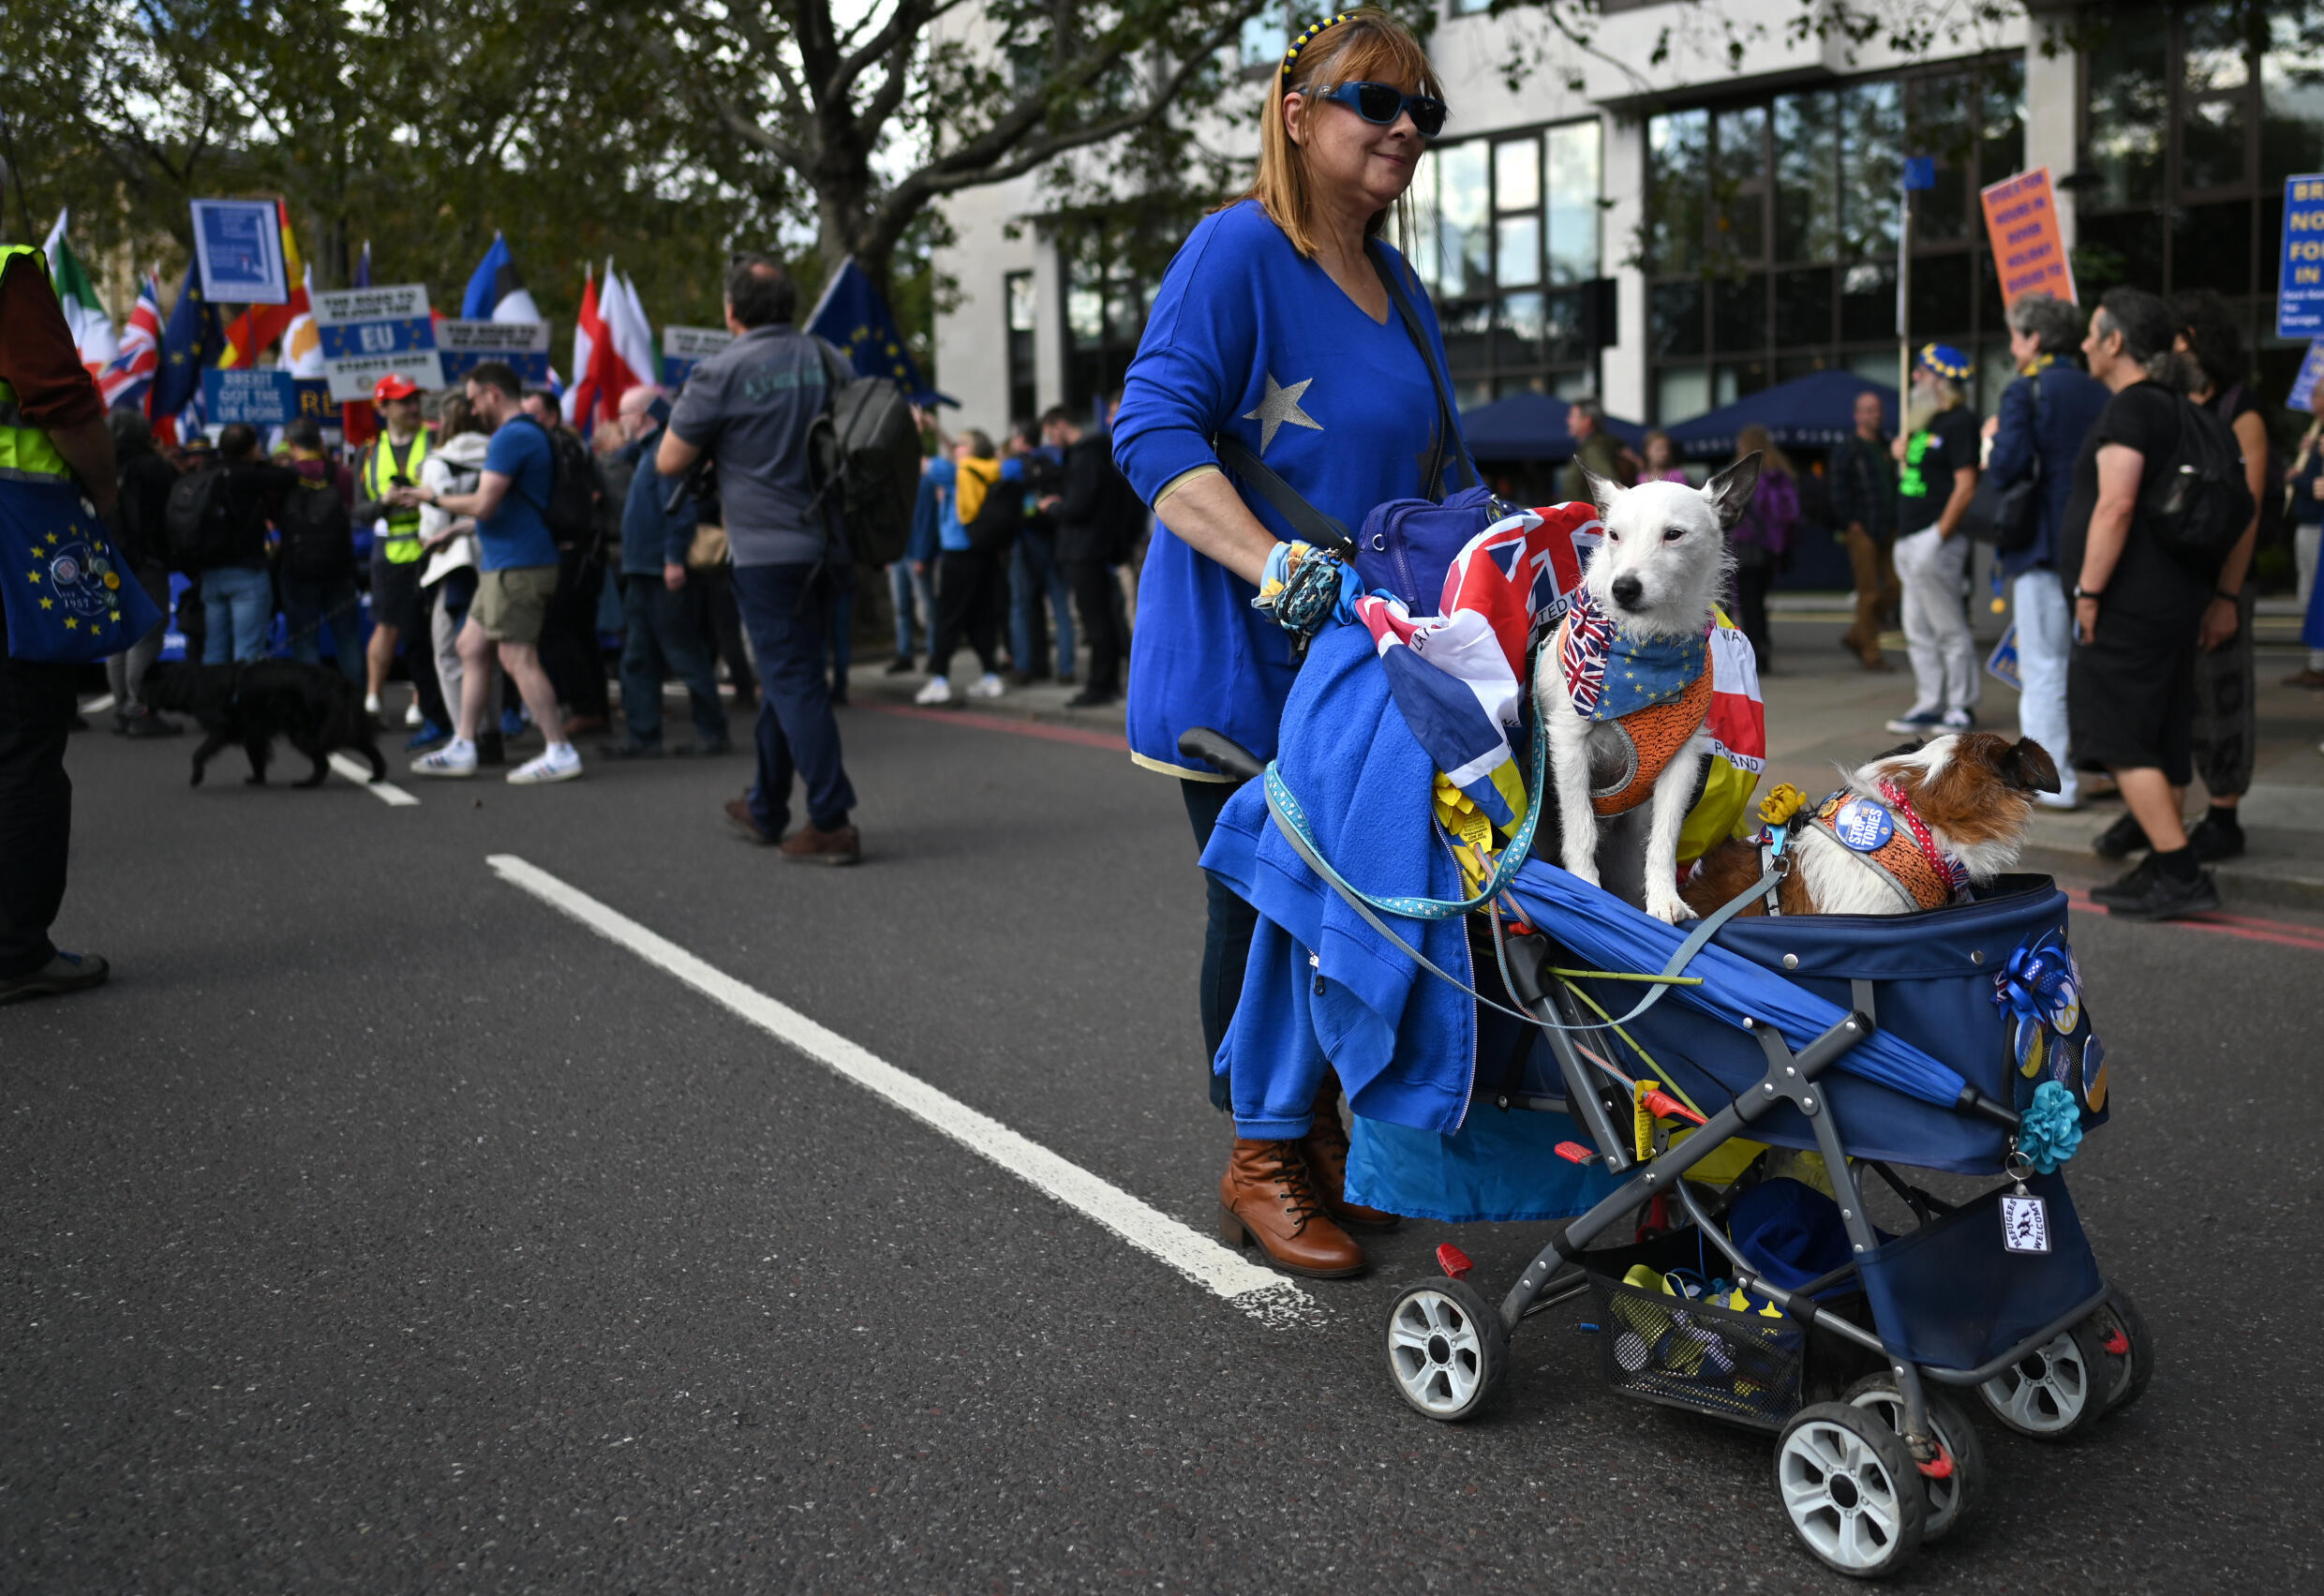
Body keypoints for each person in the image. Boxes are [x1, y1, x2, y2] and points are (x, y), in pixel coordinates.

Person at [1111, 7, 1457, 1275]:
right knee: (1265, 909)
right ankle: (1262, 1154)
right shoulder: (1237, 250)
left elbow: (1446, 473)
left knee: (1363, 902)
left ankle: (1314, 1135)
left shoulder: (1401, 282)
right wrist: (1275, 563)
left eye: (1426, 110)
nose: (1407, 127)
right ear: (1301, 113)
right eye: (1379, 100)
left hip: (1366, 669)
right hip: (1241, 656)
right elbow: (1152, 434)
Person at [657, 255, 861, 863]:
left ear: (731, 311)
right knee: (789, 674)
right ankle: (766, 805)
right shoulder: (831, 359)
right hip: (831, 546)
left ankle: (831, 818)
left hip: (767, 554)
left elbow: (669, 460)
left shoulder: (720, 371)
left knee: (793, 678)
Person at [2063, 288, 2219, 919]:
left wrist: (2090, 591)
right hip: (2174, 601)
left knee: (2122, 740)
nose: (2082, 344)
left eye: (2091, 333)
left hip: (2126, 602)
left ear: (2116, 342)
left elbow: (2117, 502)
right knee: (2161, 734)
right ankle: (2161, 859)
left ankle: (2180, 871)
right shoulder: (2188, 409)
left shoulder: (2131, 410)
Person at [0, 243, 118, 1004]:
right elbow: (63, 401)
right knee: (21, 746)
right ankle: (15, 950)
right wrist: (106, 491)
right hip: (17, 535)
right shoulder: (9, 268)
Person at [402, 361, 581, 784]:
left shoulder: (510, 437)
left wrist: (433, 498)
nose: (472, 407)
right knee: (469, 645)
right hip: (508, 561)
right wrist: (459, 530)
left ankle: (559, 749)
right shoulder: (526, 434)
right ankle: (464, 744)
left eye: (474, 398)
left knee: (517, 657)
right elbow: (503, 506)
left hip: (517, 565)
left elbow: (484, 503)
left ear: (492, 394)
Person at [1979, 293, 2110, 813]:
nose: (2013, 348)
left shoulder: (2025, 391)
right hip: (2097, 545)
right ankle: (2096, 767)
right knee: (2086, 667)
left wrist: (1994, 442)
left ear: (2034, 339)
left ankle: (2052, 783)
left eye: (2015, 337)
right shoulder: (2101, 391)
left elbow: (2008, 467)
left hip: (2041, 548)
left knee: (2043, 668)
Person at [2168, 290, 2270, 863]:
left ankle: (2225, 814)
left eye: (2178, 336)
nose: (2171, 347)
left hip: (2222, 580)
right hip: (2178, 579)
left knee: (2223, 695)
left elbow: (2248, 512)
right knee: (2182, 699)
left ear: (2200, 339)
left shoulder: (2241, 409)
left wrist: (2227, 595)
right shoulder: (2178, 400)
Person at [606, 382, 728, 758]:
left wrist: (674, 559)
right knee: (638, 657)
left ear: (641, 415)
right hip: (645, 571)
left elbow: (680, 512)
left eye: (624, 413)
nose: (619, 421)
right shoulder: (649, 450)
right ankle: (644, 736)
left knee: (684, 653)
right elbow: (617, 455)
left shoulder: (664, 452)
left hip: (661, 571)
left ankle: (712, 733)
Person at [1885, 344, 1982, 735]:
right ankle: (1930, 701)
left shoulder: (1960, 422)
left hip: (1934, 538)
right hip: (1910, 538)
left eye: (1923, 372)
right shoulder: (1926, 422)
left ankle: (1960, 705)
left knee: (1947, 626)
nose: (1915, 377)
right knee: (1918, 628)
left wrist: (1939, 536)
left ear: (1941, 380)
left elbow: (1966, 485)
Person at [414, 394, 503, 763]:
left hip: (454, 568)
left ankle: (464, 734)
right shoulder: (499, 455)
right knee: (491, 654)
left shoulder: (437, 464)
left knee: (450, 654)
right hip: (497, 560)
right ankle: (492, 731)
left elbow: (433, 527)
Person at [522, 387, 612, 738]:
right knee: (579, 633)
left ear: (553, 416)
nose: (529, 424)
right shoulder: (568, 445)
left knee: (563, 631)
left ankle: (585, 707)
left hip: (572, 551)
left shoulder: (558, 447)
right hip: (580, 549)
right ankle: (593, 707)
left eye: (535, 416)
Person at [1043, 403, 1140, 707]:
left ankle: (1102, 684)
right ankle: (1109, 681)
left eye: (1049, 432)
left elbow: (1078, 507)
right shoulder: (1098, 454)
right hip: (1097, 548)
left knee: (1096, 621)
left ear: (1060, 424)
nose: (1049, 440)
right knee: (1107, 619)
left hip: (1085, 550)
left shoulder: (1086, 456)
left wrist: (1053, 507)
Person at [916, 429, 1020, 705]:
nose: (956, 449)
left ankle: (939, 678)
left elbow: (924, 463)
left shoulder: (959, 474)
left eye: (962, 445)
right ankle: (991, 675)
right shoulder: (990, 470)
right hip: (983, 552)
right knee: (979, 617)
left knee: (947, 617)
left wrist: (917, 431)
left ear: (972, 451)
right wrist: (936, 429)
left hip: (958, 554)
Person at [350, 373, 433, 723]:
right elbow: (359, 512)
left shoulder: (437, 440)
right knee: (386, 625)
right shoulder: (367, 452)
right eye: (403, 401)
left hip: (431, 550)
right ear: (383, 407)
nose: (413, 407)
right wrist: (384, 502)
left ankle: (423, 698)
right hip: (388, 555)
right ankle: (373, 697)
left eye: (415, 399)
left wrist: (425, 501)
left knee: (427, 628)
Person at [104, 408, 182, 738]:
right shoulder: (153, 468)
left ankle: (123, 707)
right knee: (147, 634)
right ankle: (140, 708)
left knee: (118, 637)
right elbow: (175, 506)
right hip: (146, 560)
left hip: (107, 560)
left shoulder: (100, 462)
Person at [275, 417, 365, 688]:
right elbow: (353, 511)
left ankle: (311, 706)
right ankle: (355, 704)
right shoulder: (342, 475)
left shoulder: (283, 477)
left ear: (290, 444)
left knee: (305, 641)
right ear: (320, 441)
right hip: (339, 565)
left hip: (298, 567)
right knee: (348, 639)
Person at [201, 423, 301, 663]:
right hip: (246, 571)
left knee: (215, 649)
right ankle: (243, 699)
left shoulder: (206, 472)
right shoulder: (248, 474)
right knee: (247, 651)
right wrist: (258, 461)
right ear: (250, 450)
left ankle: (213, 699)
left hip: (210, 571)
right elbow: (289, 476)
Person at [1828, 390, 1900, 672]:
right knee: (1868, 592)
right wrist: (1849, 521)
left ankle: (1859, 633)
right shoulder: (1848, 449)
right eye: (1869, 410)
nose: (1875, 415)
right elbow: (1837, 489)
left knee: (1895, 587)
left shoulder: (1887, 446)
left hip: (1888, 526)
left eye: (1878, 409)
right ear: (1857, 414)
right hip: (1862, 528)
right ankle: (1871, 652)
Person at [1006, 422, 1074, 685]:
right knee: (1060, 609)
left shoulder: (1013, 466)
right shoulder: (1053, 463)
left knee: (1021, 607)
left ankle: (1023, 666)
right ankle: (1066, 669)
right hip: (1054, 542)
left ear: (1021, 438)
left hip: (1025, 542)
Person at [1725, 423, 1796, 670]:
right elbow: (1790, 515)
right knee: (1759, 604)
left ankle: (1750, 655)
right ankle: (1762, 651)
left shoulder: (1743, 478)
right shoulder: (1780, 476)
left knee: (1745, 603)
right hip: (1769, 549)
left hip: (1744, 546)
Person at [2287, 383, 2324, 692]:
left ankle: (2318, 665)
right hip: (2312, 523)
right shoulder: (2316, 434)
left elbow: (2315, 486)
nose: (2312, 400)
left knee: (2316, 594)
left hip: (2316, 524)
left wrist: (2299, 480)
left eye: (2318, 394)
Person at [888, 462, 941, 674]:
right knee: (901, 607)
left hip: (916, 554)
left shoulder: (925, 483)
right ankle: (905, 654)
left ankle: (935, 654)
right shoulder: (894, 485)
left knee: (928, 608)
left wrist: (922, 555)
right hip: (899, 555)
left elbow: (927, 521)